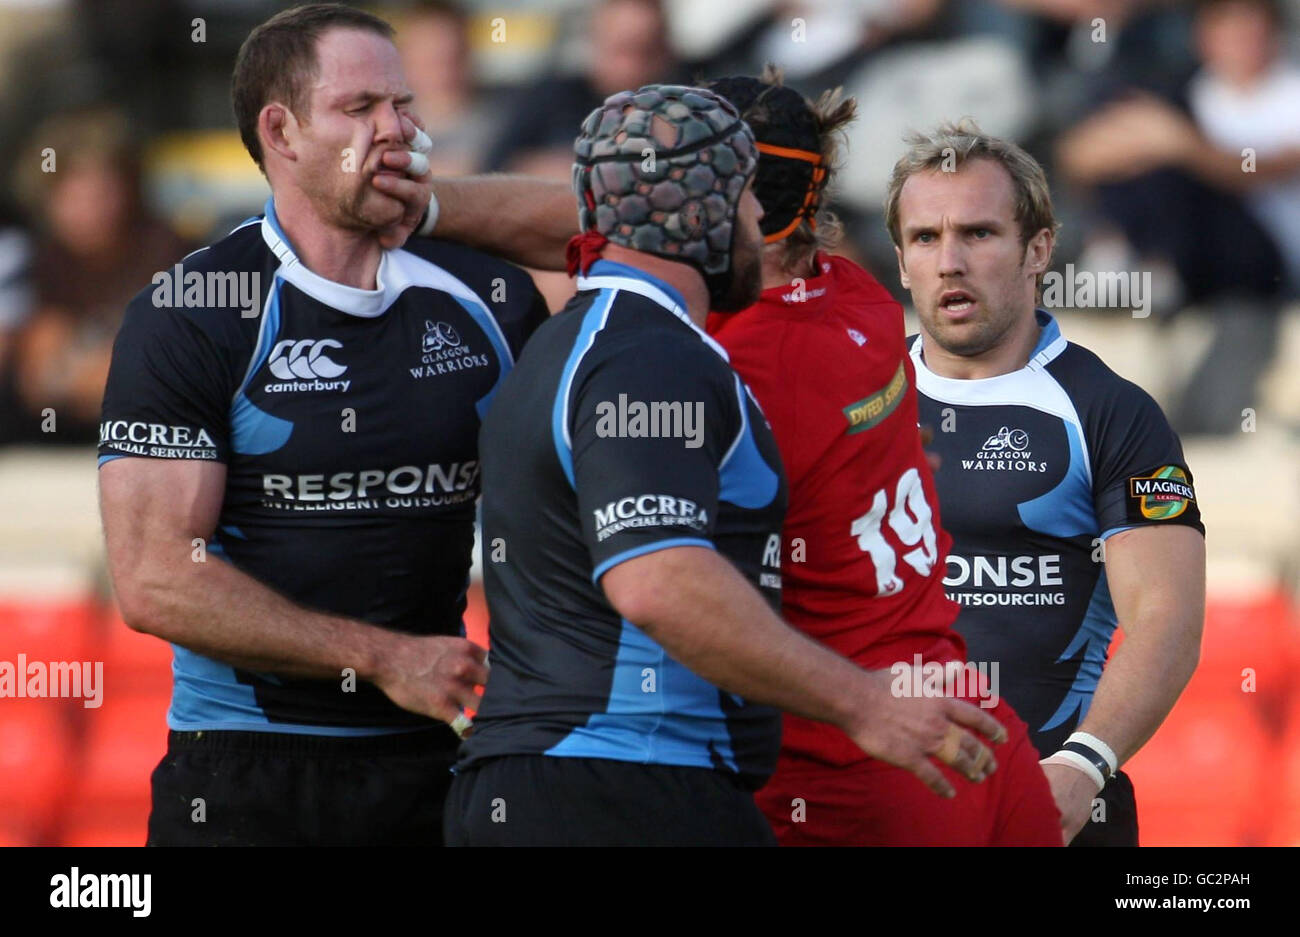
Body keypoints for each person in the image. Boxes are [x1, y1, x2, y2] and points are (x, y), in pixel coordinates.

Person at [444, 84, 1007, 847]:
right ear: (703, 215)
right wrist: (866, 702)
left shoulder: (580, 340)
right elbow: (658, 579)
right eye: (746, 198)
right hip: (627, 784)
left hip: (565, 778)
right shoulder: (655, 358)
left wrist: (425, 207)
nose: (757, 218)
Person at [97, 3, 554, 846]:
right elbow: (155, 579)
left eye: (403, 105)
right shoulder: (195, 310)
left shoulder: (486, 296)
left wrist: (436, 205)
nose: (397, 128)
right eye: (360, 108)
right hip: (245, 769)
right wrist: (385, 658)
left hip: (432, 758)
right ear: (281, 131)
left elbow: (617, 238)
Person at [699, 69, 1061, 845]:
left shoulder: (728, 362)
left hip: (860, 762)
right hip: (976, 725)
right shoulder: (858, 294)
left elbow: (677, 589)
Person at [888, 120, 1206, 845]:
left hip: (1053, 804)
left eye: (978, 233)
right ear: (901, 262)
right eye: (925, 238)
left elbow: (1167, 619)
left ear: (1038, 249)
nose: (950, 262)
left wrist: (1082, 766)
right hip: (879, 807)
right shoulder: (855, 399)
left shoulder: (1112, 410)